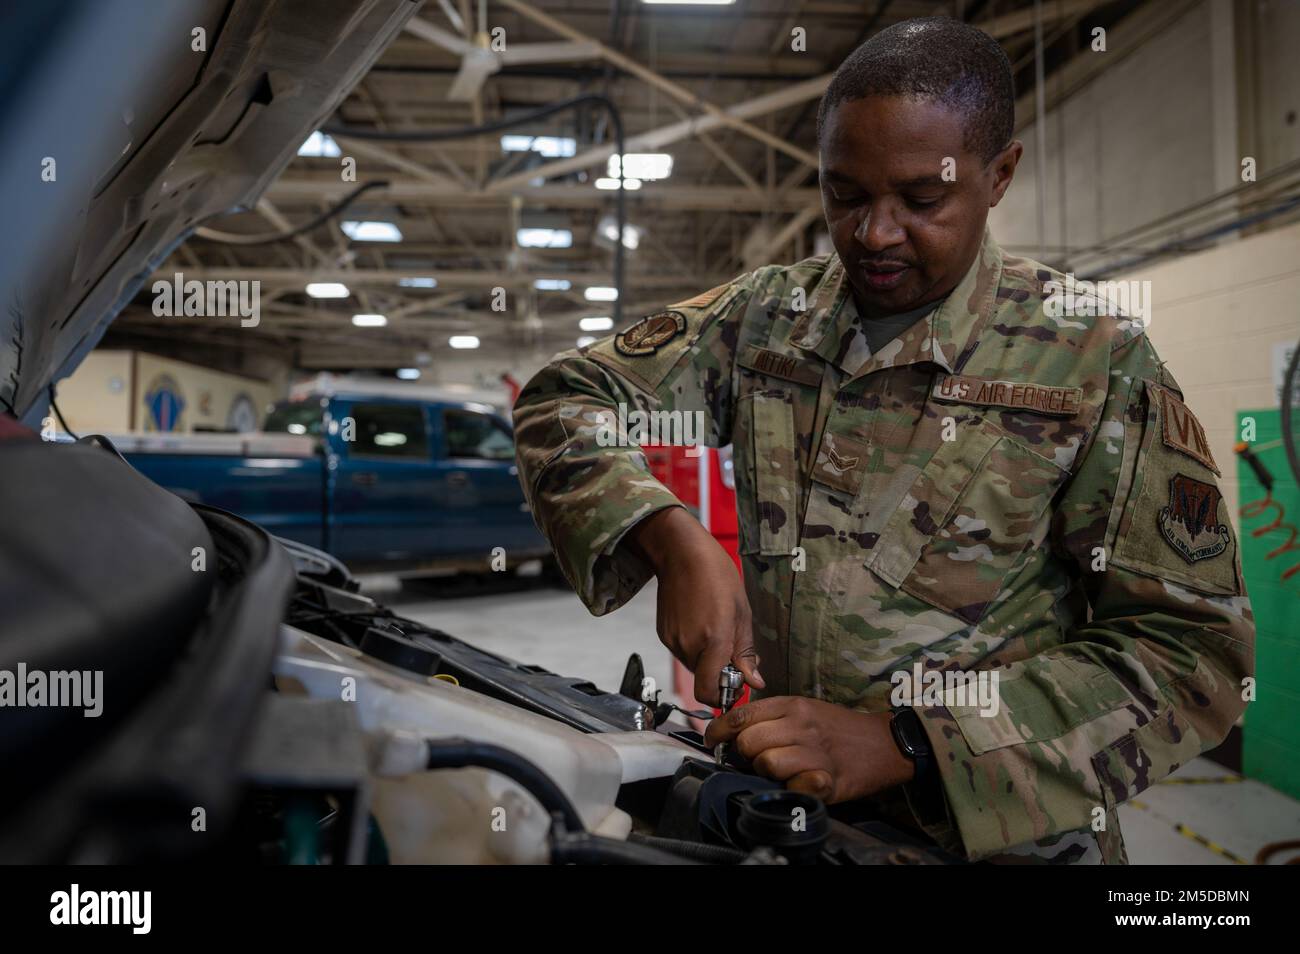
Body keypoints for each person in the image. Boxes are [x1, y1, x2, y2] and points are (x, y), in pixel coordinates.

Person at [511, 16, 1254, 864]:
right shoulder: (770, 318)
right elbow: (565, 397)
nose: (874, 233)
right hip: (795, 827)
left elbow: (1191, 653)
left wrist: (908, 744)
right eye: (845, 195)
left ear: (999, 175)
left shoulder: (1091, 356)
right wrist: (666, 533)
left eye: (921, 199)